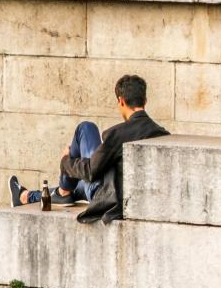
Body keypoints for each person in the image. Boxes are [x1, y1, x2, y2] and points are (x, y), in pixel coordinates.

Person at [9, 75, 169, 224]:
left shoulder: (117, 134)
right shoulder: (162, 133)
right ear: (145, 100)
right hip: (129, 195)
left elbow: (91, 171)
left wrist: (66, 162)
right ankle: (28, 196)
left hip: (109, 196)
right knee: (75, 190)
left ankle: (60, 190)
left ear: (121, 101)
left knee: (85, 128)